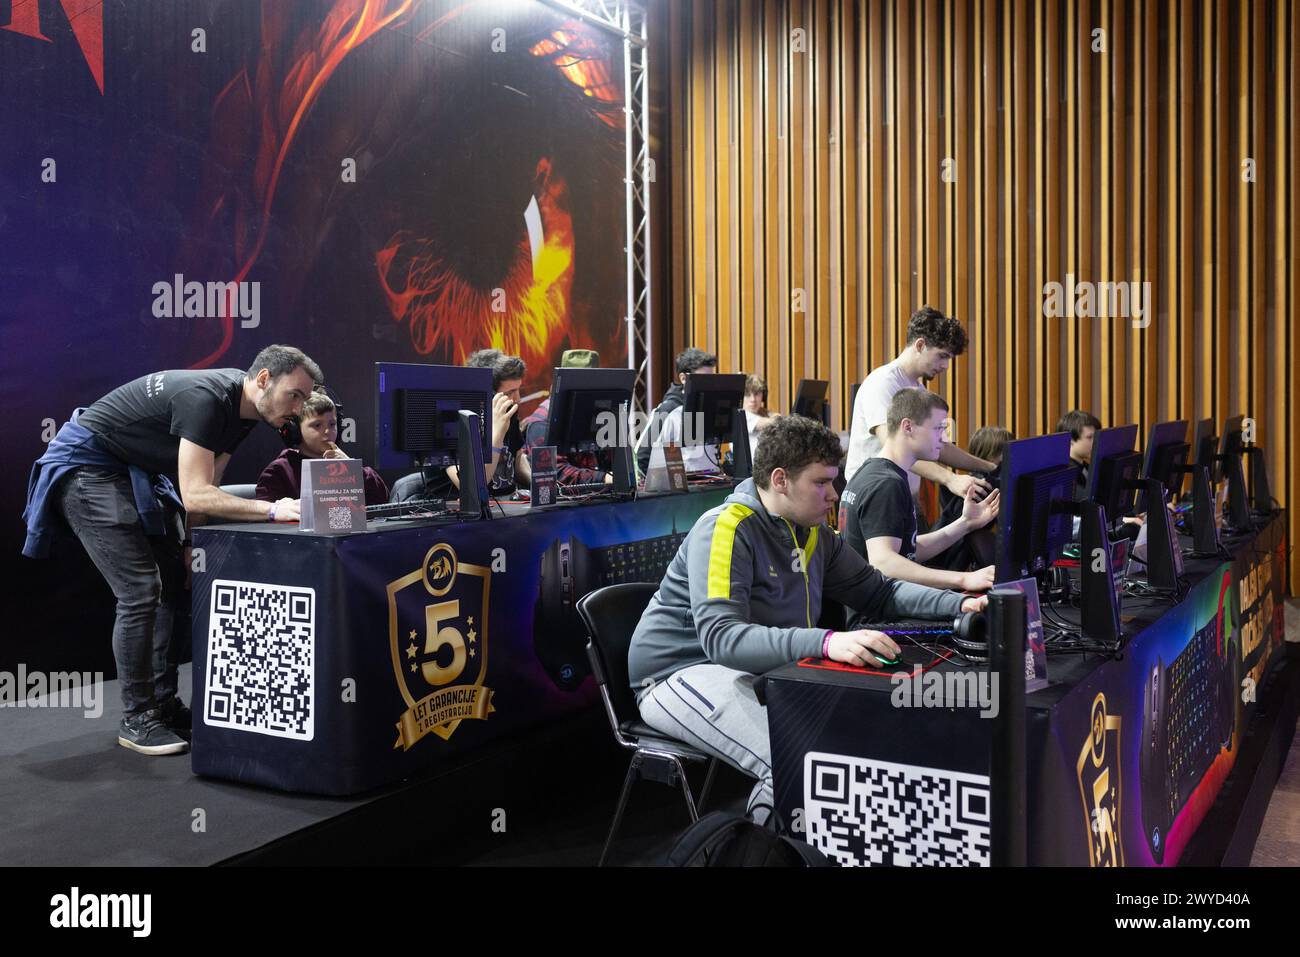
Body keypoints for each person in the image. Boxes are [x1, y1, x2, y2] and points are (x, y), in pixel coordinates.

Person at [628, 415, 987, 824]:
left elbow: (879, 591)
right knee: (794, 760)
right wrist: (826, 641)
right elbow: (722, 639)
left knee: (847, 745)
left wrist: (957, 604)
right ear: (780, 480)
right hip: (680, 670)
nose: (834, 494)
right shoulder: (725, 529)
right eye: (821, 482)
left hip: (755, 669)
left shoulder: (813, 532)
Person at [22, 345, 323, 756]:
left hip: (131, 473)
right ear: (265, 379)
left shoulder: (247, 414)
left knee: (178, 584)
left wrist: (188, 546)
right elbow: (197, 496)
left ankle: (164, 703)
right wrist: (273, 509)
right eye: (297, 395)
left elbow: (208, 485)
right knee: (141, 590)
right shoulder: (207, 399)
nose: (301, 407)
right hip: (86, 468)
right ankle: (137, 717)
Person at [841, 389, 1000, 604]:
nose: (943, 440)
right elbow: (884, 563)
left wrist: (966, 524)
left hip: (883, 603)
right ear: (908, 427)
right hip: (878, 618)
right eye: (937, 429)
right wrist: (964, 578)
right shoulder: (886, 483)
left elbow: (907, 550)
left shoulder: (874, 471)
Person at [845, 306, 995, 503]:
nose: (946, 366)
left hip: (899, 497)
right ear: (920, 345)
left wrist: (990, 467)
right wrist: (950, 478)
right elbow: (897, 447)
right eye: (942, 356)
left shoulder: (918, 391)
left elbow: (940, 446)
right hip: (873, 498)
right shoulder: (882, 383)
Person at [400, 349, 533, 501]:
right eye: (510, 392)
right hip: (460, 517)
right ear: (487, 393)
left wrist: (542, 483)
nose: (517, 399)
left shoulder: (508, 413)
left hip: (508, 509)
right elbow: (473, 487)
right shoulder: (448, 422)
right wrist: (497, 432)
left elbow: (516, 463)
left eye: (518, 390)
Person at [255, 390, 389, 505]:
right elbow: (266, 519)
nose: (327, 431)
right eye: (317, 425)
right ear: (295, 430)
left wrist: (351, 468)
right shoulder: (278, 472)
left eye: (332, 424)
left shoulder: (343, 464)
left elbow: (381, 500)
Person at [521, 349, 612, 486]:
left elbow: (609, 459)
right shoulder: (542, 422)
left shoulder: (595, 415)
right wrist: (603, 478)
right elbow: (555, 473)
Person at [635, 347, 717, 475]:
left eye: (711, 379)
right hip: (681, 488)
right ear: (683, 378)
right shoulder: (668, 410)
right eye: (703, 379)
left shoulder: (710, 405)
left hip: (709, 481)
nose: (709, 385)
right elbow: (643, 457)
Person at [742, 374, 779, 457]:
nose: (753, 400)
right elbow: (772, 422)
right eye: (747, 395)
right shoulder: (742, 415)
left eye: (756, 394)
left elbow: (776, 416)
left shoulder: (762, 412)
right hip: (752, 468)